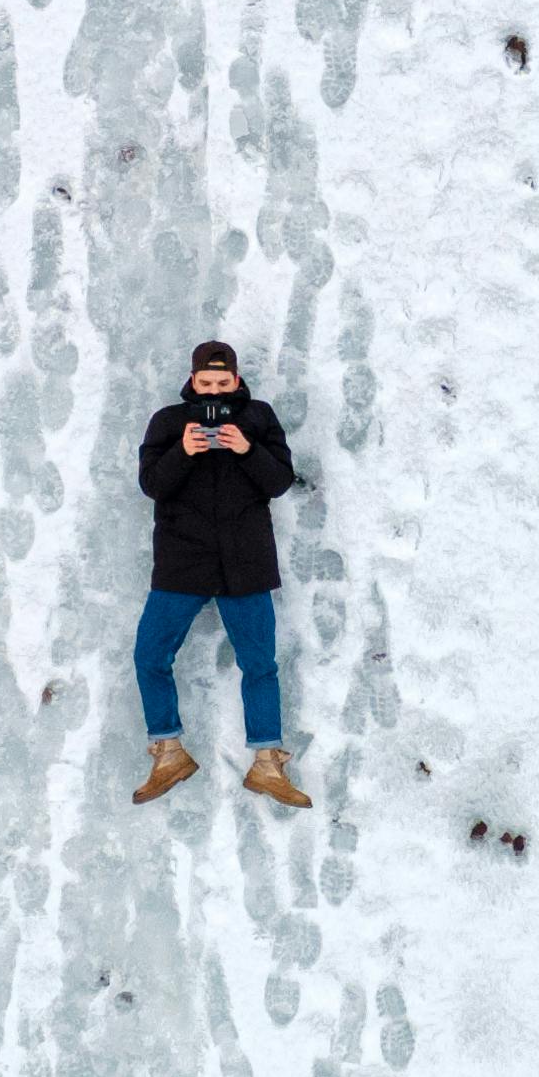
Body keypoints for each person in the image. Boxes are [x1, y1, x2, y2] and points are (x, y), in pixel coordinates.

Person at [130, 340, 310, 808]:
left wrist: (247, 449)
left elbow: (279, 482)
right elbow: (152, 484)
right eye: (206, 382)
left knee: (260, 664)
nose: (213, 390)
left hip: (245, 563)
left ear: (236, 378)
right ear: (193, 380)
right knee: (149, 654)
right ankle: (168, 752)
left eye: (222, 382)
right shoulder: (168, 422)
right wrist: (183, 451)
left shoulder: (259, 417)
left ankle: (267, 763)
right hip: (182, 561)